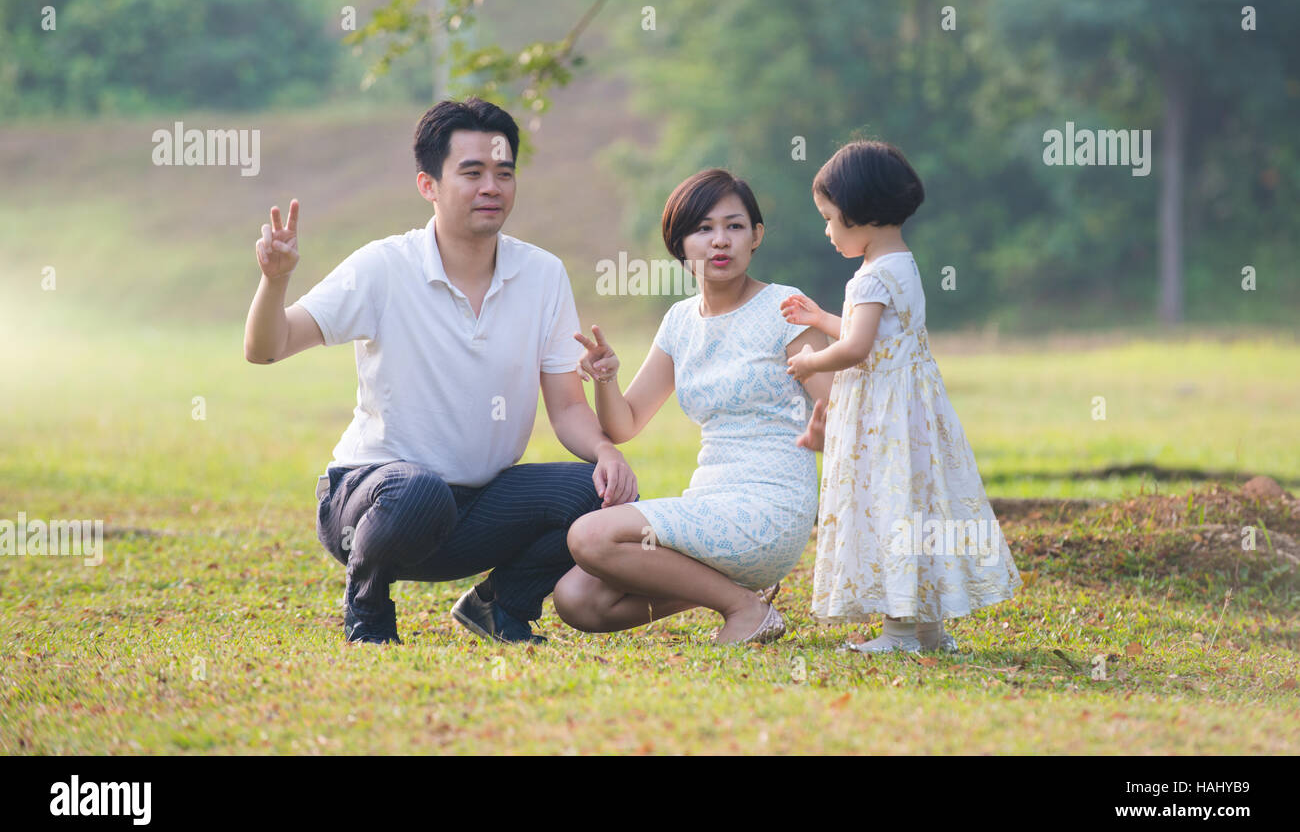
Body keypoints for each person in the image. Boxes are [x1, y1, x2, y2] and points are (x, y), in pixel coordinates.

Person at [242, 97, 637, 645]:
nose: (491, 187)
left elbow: (567, 406)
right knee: (419, 491)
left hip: (477, 506)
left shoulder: (543, 275)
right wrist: (274, 280)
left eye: (504, 173)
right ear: (428, 185)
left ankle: (500, 607)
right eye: (471, 173)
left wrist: (606, 453)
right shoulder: (383, 267)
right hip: (372, 502)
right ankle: (369, 610)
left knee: (602, 496)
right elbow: (267, 347)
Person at [552, 169, 834, 645]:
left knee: (589, 536)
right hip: (709, 501)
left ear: (756, 236)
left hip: (771, 505)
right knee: (579, 600)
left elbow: (838, 411)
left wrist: (826, 432)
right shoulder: (681, 320)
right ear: (680, 244)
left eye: (734, 226)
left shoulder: (785, 308)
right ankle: (744, 588)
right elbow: (624, 423)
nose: (719, 241)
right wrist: (606, 378)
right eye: (703, 229)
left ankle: (745, 609)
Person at [783, 140, 1022, 652]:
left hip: (883, 418)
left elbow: (855, 348)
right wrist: (819, 319)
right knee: (917, 508)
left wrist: (809, 360)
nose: (826, 230)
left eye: (829, 218)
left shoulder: (870, 276)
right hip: (913, 410)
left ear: (859, 213)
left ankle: (898, 633)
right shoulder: (903, 264)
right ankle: (931, 630)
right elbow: (872, 333)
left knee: (887, 505)